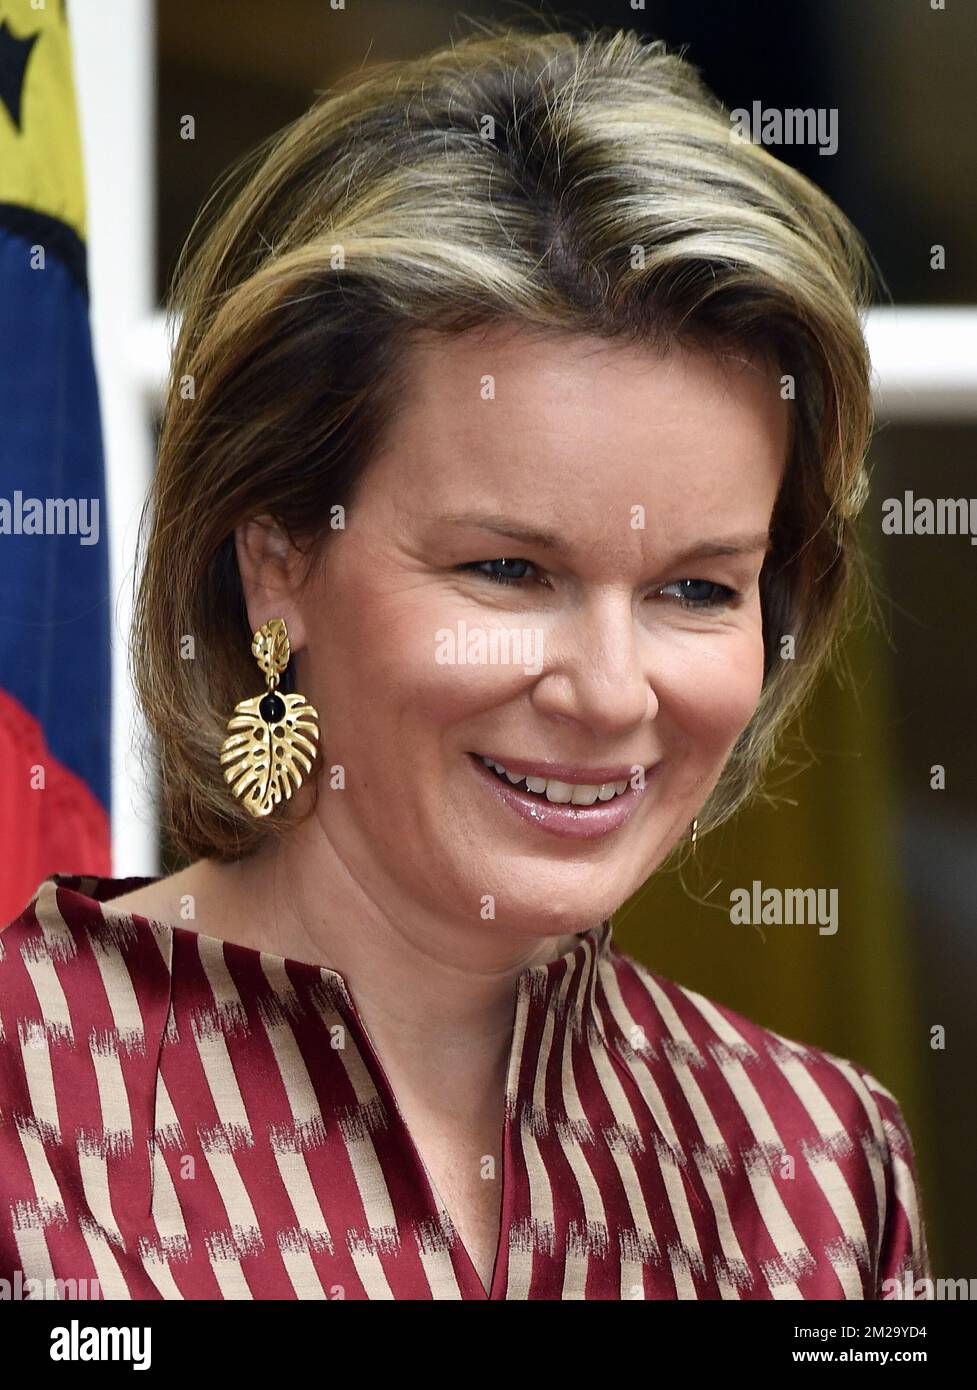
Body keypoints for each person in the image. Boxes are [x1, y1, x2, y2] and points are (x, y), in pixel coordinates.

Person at [0, 23, 931, 1300]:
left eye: (696, 589)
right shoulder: (29, 1098)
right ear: (275, 558)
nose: (609, 691)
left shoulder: (817, 1168)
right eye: (508, 570)